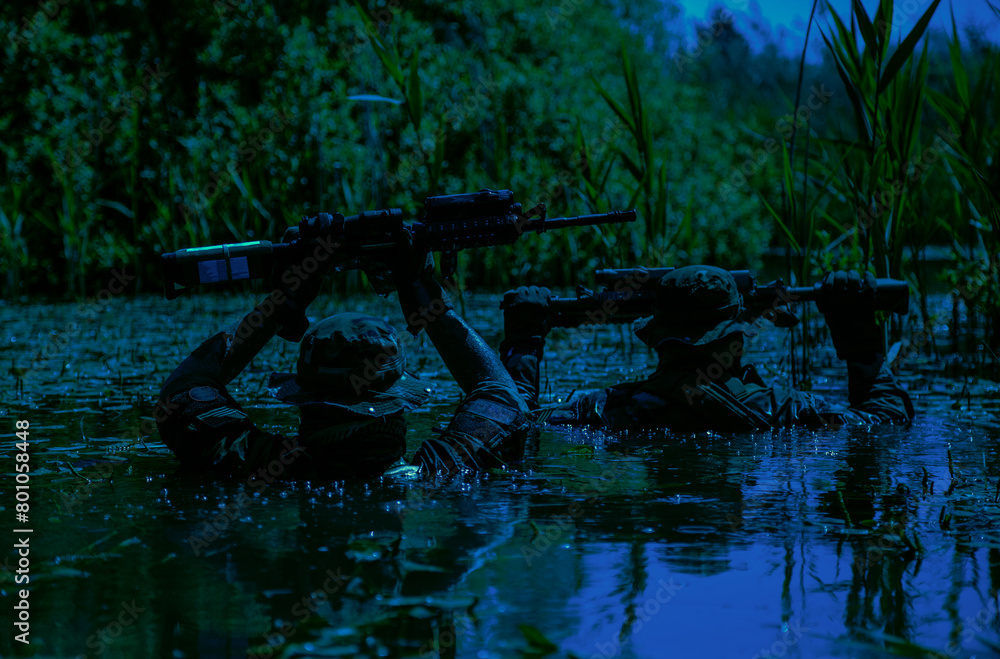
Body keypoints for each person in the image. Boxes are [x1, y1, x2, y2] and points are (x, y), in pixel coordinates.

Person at [156, 217, 531, 479]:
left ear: (304, 402)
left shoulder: (263, 466)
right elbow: (502, 397)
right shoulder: (443, 470)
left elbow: (183, 391)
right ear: (397, 403)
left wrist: (286, 299)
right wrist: (419, 289)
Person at [498, 266, 914, 431]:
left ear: (656, 337)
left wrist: (524, 343)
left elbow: (512, 424)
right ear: (736, 338)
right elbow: (888, 420)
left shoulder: (601, 409)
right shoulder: (787, 410)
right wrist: (857, 333)